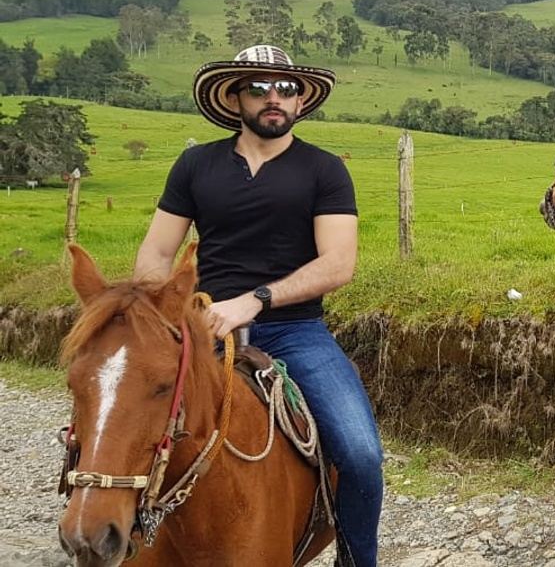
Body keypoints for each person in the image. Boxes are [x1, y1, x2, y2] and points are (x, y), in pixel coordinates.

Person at [133, 44, 381, 566]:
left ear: (300, 100)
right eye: (259, 88)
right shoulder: (196, 164)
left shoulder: (324, 169)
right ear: (235, 97)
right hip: (201, 330)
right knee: (122, 421)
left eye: (285, 88)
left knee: (360, 455)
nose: (274, 97)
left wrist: (255, 300)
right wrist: (169, 315)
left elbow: (338, 264)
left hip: (296, 332)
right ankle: (113, 535)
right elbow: (156, 254)